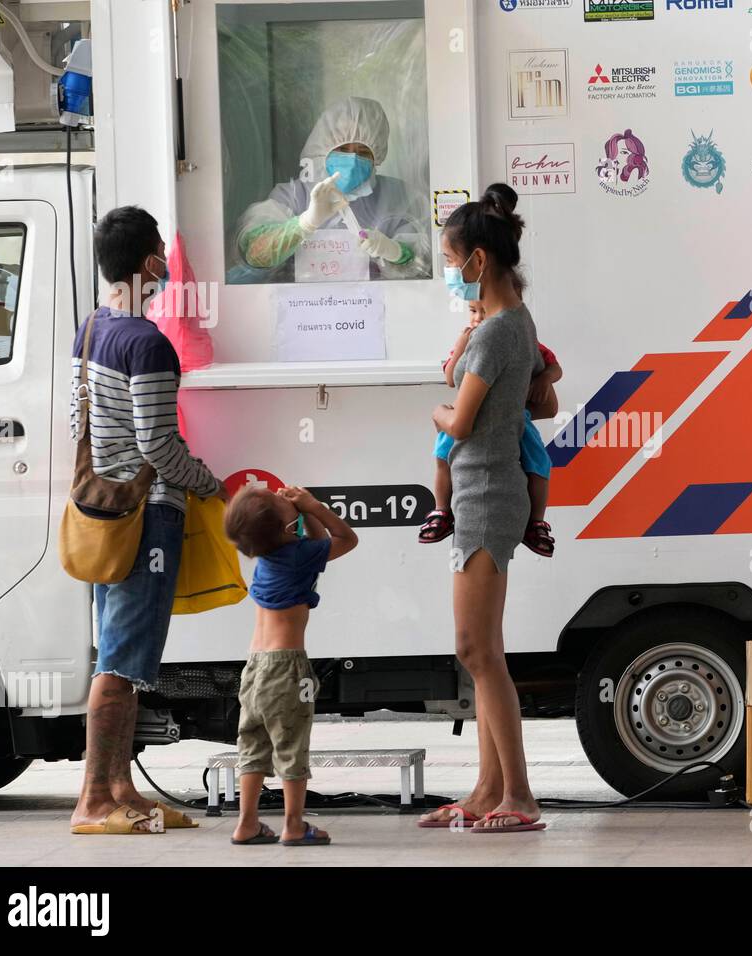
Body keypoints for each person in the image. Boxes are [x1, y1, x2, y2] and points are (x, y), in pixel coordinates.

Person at [68, 207, 225, 835]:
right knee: (122, 662)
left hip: (104, 513)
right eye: (160, 252)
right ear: (150, 263)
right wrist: (211, 485)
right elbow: (159, 447)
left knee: (119, 654)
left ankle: (119, 789)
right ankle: (92, 802)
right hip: (145, 516)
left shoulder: (92, 330)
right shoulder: (146, 342)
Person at [417, 184, 556, 833]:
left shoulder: (501, 331)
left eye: (450, 257)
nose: (449, 269)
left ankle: (520, 797)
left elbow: (463, 421)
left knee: (476, 649)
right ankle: (486, 790)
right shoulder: (506, 322)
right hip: (484, 492)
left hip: (483, 493)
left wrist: (438, 415)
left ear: (477, 259)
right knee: (483, 649)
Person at [223, 484, 358, 846]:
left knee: (252, 746)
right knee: (291, 746)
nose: (284, 498)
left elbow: (316, 541)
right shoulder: (299, 554)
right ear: (286, 529)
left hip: (254, 667)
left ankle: (247, 823)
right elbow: (346, 538)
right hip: (286, 667)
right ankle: (294, 825)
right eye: (278, 503)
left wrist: (304, 513)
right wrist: (315, 506)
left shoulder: (268, 557)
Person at [420, 297, 563, 556]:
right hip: (467, 416)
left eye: (484, 312)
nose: (477, 318)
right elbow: (451, 378)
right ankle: (442, 510)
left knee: (540, 464)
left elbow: (555, 367)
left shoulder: (520, 336)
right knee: (442, 455)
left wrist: (544, 378)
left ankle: (536, 522)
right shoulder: (467, 341)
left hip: (514, 416)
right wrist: (461, 346)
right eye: (473, 311)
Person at [231, 96, 429, 283]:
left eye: (362, 152)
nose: (352, 160)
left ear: (376, 157)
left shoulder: (396, 196)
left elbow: (424, 262)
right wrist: (305, 223)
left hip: (374, 307)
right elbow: (255, 253)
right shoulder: (294, 195)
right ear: (323, 148)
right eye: (343, 150)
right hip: (302, 308)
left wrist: (395, 251)